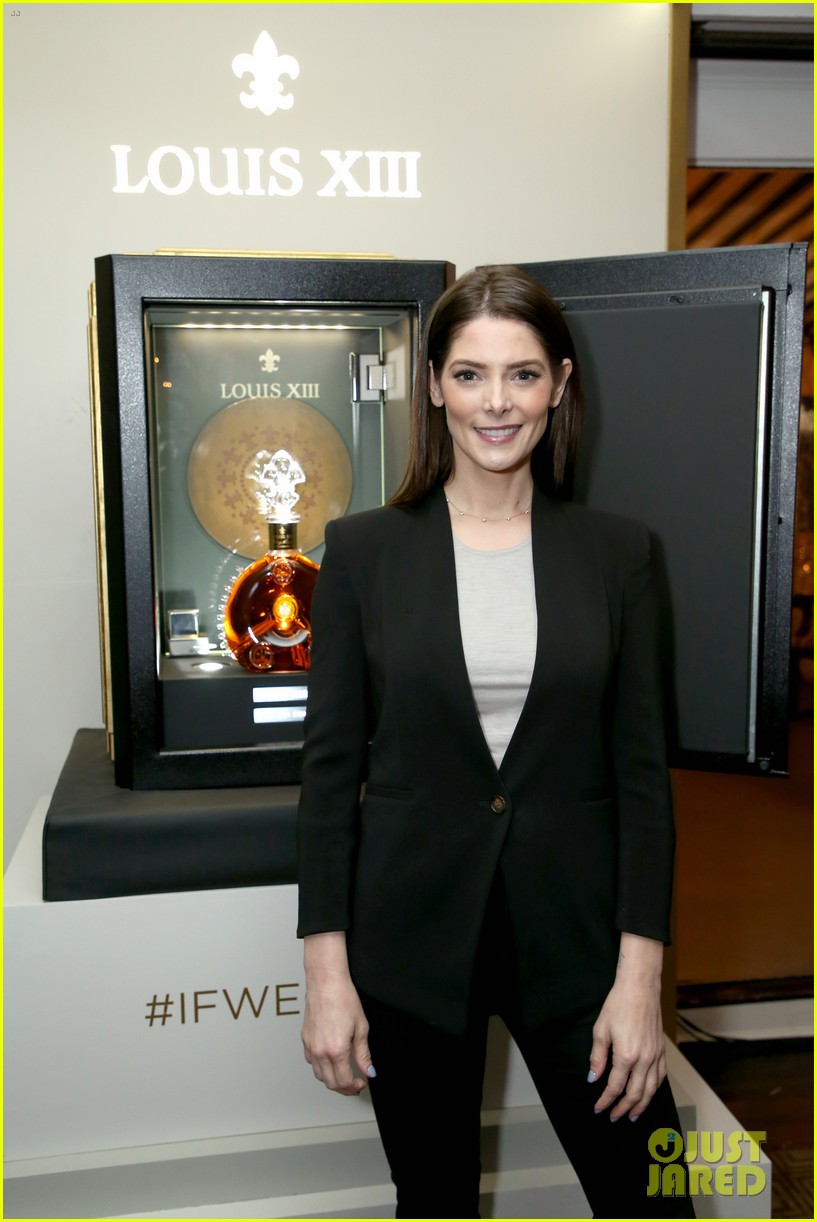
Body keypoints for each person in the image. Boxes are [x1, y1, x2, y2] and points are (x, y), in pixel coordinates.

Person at [296, 265, 693, 1219]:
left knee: (655, 1195)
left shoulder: (620, 553)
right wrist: (325, 975)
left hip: (581, 946)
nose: (495, 402)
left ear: (559, 383)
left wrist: (642, 981)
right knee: (432, 1200)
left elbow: (643, 784)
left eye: (520, 375)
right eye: (469, 374)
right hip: (410, 945)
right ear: (432, 384)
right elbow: (328, 775)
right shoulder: (360, 551)